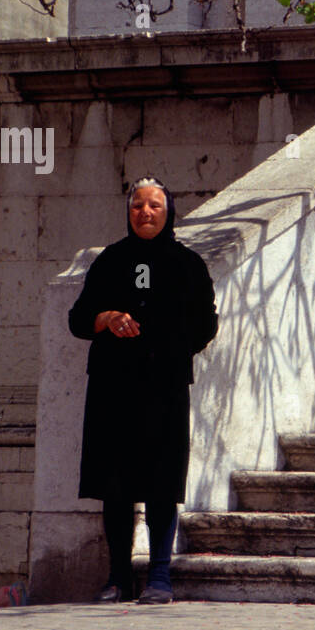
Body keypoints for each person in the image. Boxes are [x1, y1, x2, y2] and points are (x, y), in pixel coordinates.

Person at [68, 177, 219, 604]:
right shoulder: (110, 261)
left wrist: (168, 346)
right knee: (114, 483)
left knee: (160, 481)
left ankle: (158, 577)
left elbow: (206, 324)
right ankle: (117, 578)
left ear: (168, 211)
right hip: (113, 388)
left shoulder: (188, 264)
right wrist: (108, 317)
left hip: (164, 388)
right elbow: (78, 319)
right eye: (138, 206)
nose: (145, 213)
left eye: (154, 205)